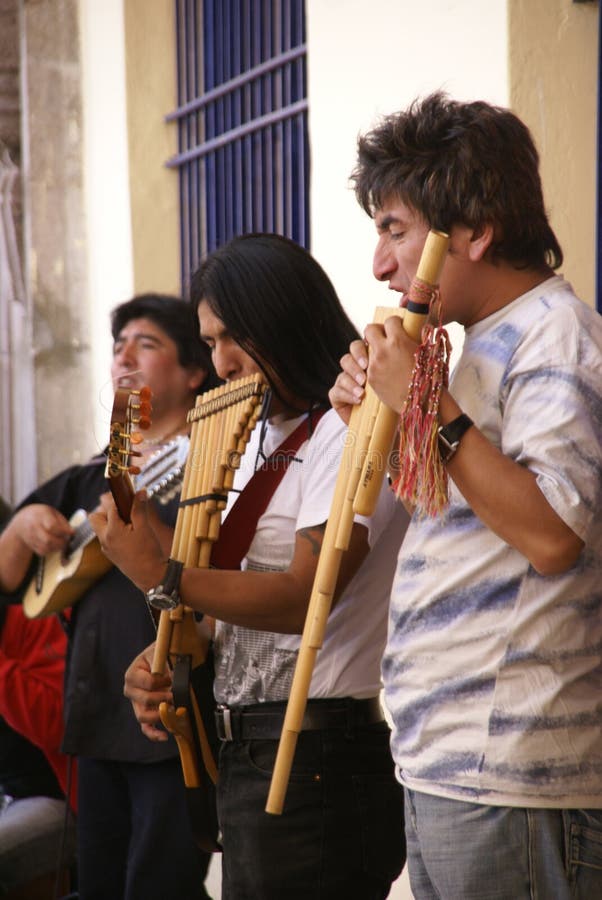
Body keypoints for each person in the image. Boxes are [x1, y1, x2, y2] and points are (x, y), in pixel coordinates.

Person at [330, 91, 602, 900]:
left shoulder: (559, 335)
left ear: (475, 232)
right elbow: (460, 515)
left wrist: (433, 403)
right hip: (448, 756)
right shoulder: (477, 344)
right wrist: (374, 419)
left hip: (511, 767)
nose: (381, 265)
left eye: (395, 230)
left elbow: (553, 534)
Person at [89, 233, 408, 900]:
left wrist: (161, 576)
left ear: (283, 320)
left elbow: (302, 597)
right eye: (209, 341)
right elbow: (234, 613)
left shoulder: (347, 428)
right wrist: (179, 652)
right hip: (246, 752)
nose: (222, 361)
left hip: (317, 758)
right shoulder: (261, 435)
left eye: (234, 336)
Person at [0, 293, 220, 900]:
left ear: (194, 372)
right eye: (119, 344)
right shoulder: (92, 474)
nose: (124, 356)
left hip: (169, 718)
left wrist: (141, 522)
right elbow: (7, 573)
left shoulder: (211, 469)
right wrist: (22, 530)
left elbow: (213, 575)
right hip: (96, 717)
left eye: (145, 345)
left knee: (160, 885)